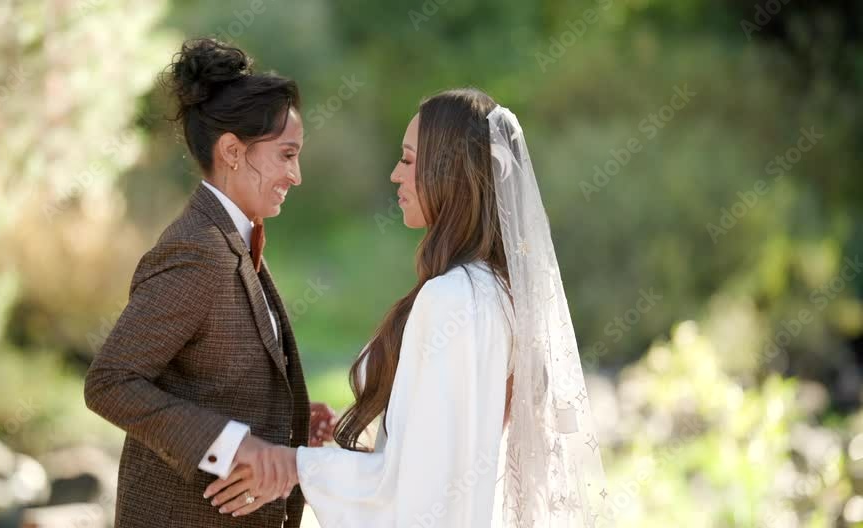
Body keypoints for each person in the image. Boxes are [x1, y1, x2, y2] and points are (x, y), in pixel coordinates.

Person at [207, 88, 611, 527]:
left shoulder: (454, 299)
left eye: (408, 159)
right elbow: (443, 460)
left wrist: (293, 466)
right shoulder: (497, 293)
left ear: (448, 171)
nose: (396, 174)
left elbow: (415, 495)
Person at [84, 38, 336, 528]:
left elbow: (215, 378)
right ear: (232, 151)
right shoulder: (197, 250)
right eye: (286, 155)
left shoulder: (233, 240)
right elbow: (109, 382)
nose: (296, 175)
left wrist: (293, 424)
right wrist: (234, 445)